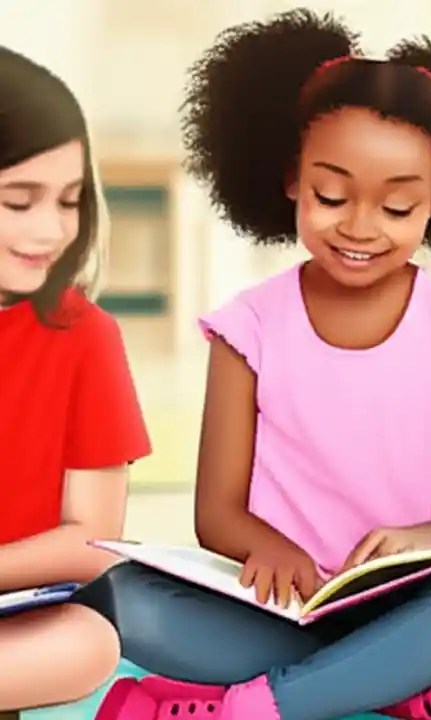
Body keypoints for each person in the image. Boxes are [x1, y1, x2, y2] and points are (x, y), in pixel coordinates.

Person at [80, 9, 431, 720]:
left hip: (419, 602)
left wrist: (422, 540)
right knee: (122, 600)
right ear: (291, 180)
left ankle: (253, 707)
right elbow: (217, 514)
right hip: (279, 608)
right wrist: (264, 545)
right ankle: (406, 686)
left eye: (397, 206)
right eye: (332, 196)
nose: (360, 227)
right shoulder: (247, 329)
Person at [0, 47, 151, 710]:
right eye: (19, 201)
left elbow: (92, 540)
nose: (52, 229)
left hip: (18, 621)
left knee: (89, 642)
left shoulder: (86, 337)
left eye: (69, 200)